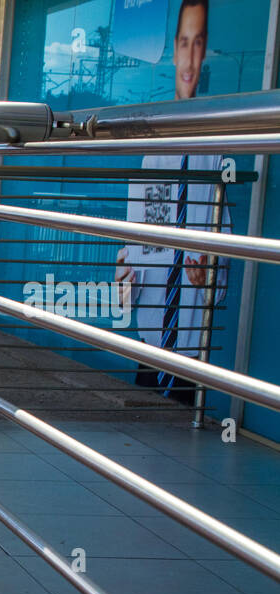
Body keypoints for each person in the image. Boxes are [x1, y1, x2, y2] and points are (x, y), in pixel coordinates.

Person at [115, 0, 229, 404]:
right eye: (184, 43)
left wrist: (208, 281)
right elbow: (139, 242)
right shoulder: (155, 155)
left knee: (183, 421)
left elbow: (223, 253)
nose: (191, 57)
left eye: (199, 43)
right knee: (150, 419)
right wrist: (124, 277)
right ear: (174, 51)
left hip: (191, 339)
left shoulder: (214, 156)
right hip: (151, 333)